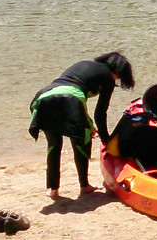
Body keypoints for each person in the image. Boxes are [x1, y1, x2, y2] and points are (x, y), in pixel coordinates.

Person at [27, 52, 135, 198]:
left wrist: (89, 125)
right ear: (118, 72)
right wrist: (106, 141)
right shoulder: (108, 77)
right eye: (119, 78)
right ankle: (84, 186)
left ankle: (53, 189)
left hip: (42, 98)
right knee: (81, 141)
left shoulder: (84, 65)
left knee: (54, 144)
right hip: (71, 99)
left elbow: (67, 93)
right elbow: (100, 113)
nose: (116, 80)